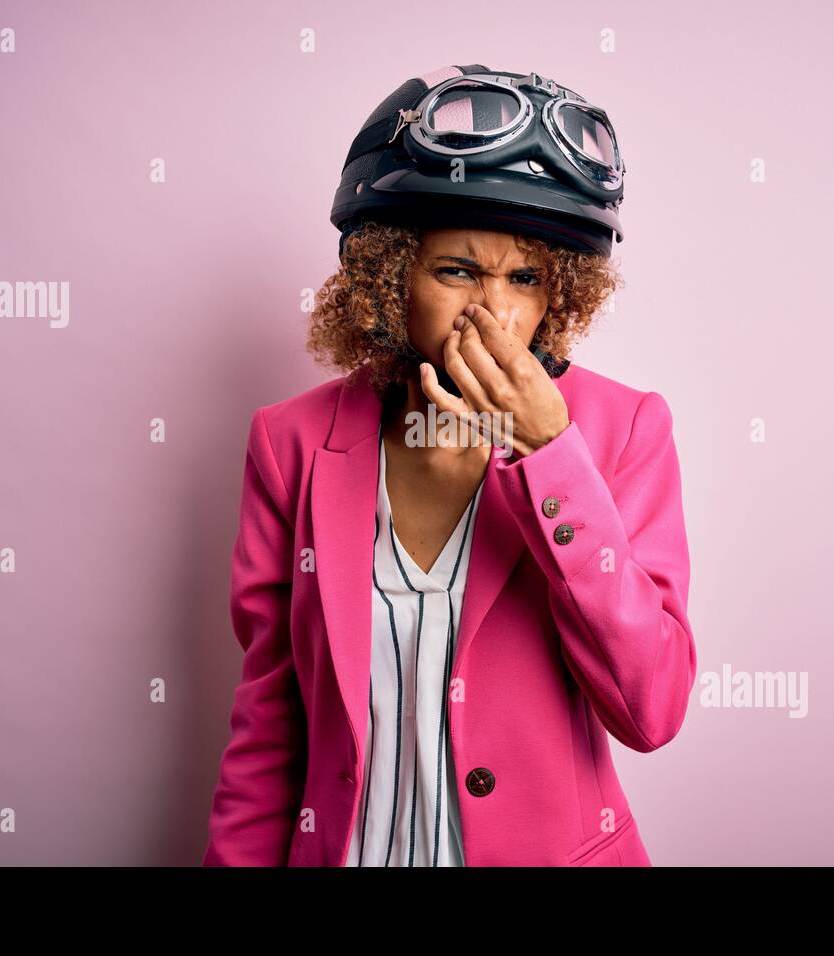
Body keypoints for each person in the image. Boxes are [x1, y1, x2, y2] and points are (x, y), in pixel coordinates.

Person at [202, 65, 697, 867]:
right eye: (456, 270)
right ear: (388, 276)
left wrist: (549, 452)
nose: (493, 312)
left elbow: (653, 709)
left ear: (558, 297)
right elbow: (269, 724)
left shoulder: (625, 429)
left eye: (526, 279)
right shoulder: (289, 442)